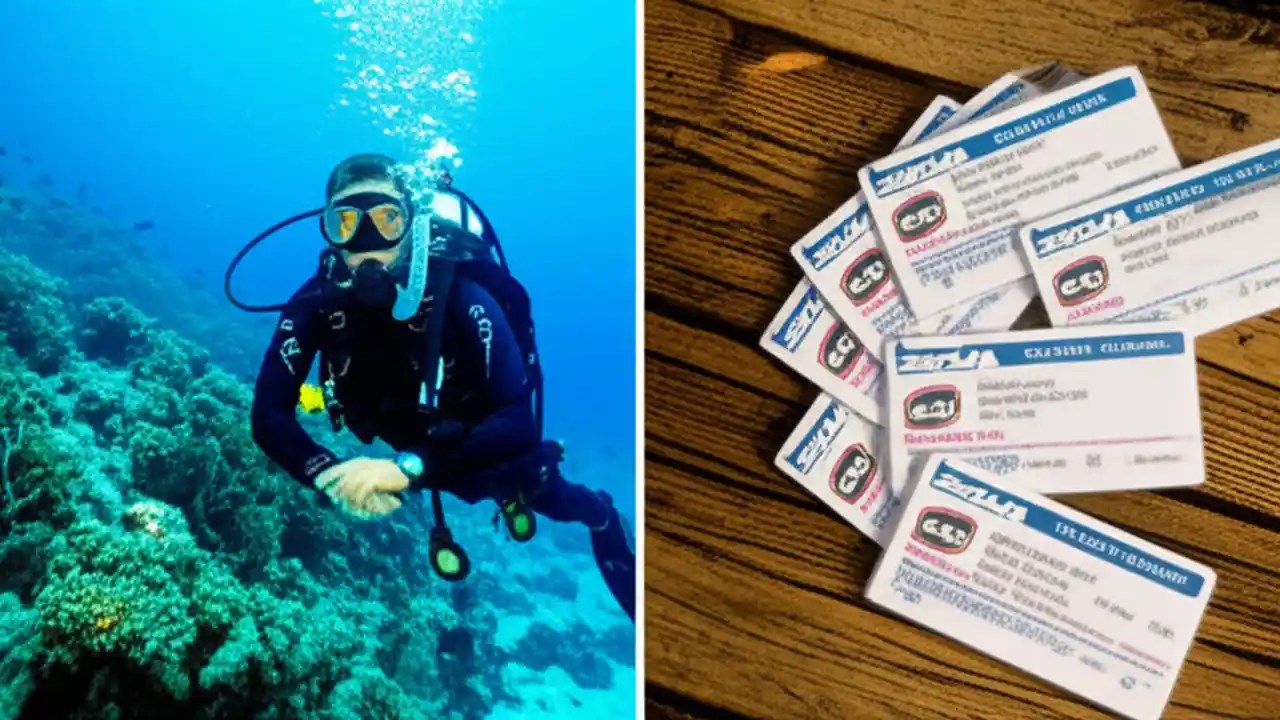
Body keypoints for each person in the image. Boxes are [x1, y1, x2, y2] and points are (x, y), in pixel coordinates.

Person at [244, 153, 635, 621]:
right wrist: (327, 474)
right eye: (346, 221)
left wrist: (406, 470)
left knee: (540, 492)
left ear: (411, 223)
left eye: (386, 219)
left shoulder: (460, 291)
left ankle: (603, 513)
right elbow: (269, 414)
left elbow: (516, 420)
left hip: (479, 447)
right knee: (329, 407)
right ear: (329, 230)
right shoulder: (316, 302)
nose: (367, 242)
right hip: (399, 439)